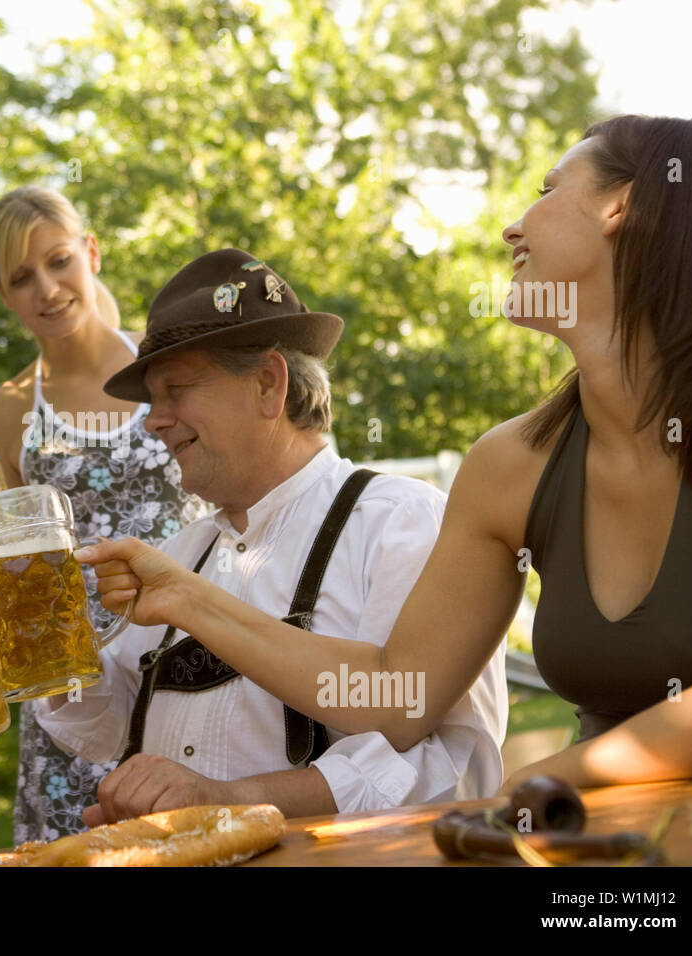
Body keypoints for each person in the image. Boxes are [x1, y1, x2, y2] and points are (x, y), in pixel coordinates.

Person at [79, 115, 692, 802]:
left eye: (547, 189)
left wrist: (553, 776)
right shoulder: (510, 466)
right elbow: (398, 697)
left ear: (619, 208)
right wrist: (188, 598)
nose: (513, 228)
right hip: (604, 851)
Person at [37, 247, 508, 825]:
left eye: (176, 390)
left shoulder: (400, 522)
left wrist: (229, 802)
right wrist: (51, 642)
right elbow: (108, 727)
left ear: (267, 384)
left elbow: (447, 763)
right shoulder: (182, 552)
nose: (154, 421)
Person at [0, 187, 209, 843]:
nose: (46, 289)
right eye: (21, 278)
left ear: (91, 252)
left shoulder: (167, 363)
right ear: (4, 293)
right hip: (72, 695)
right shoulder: (0, 415)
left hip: (193, 658)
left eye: (58, 261)